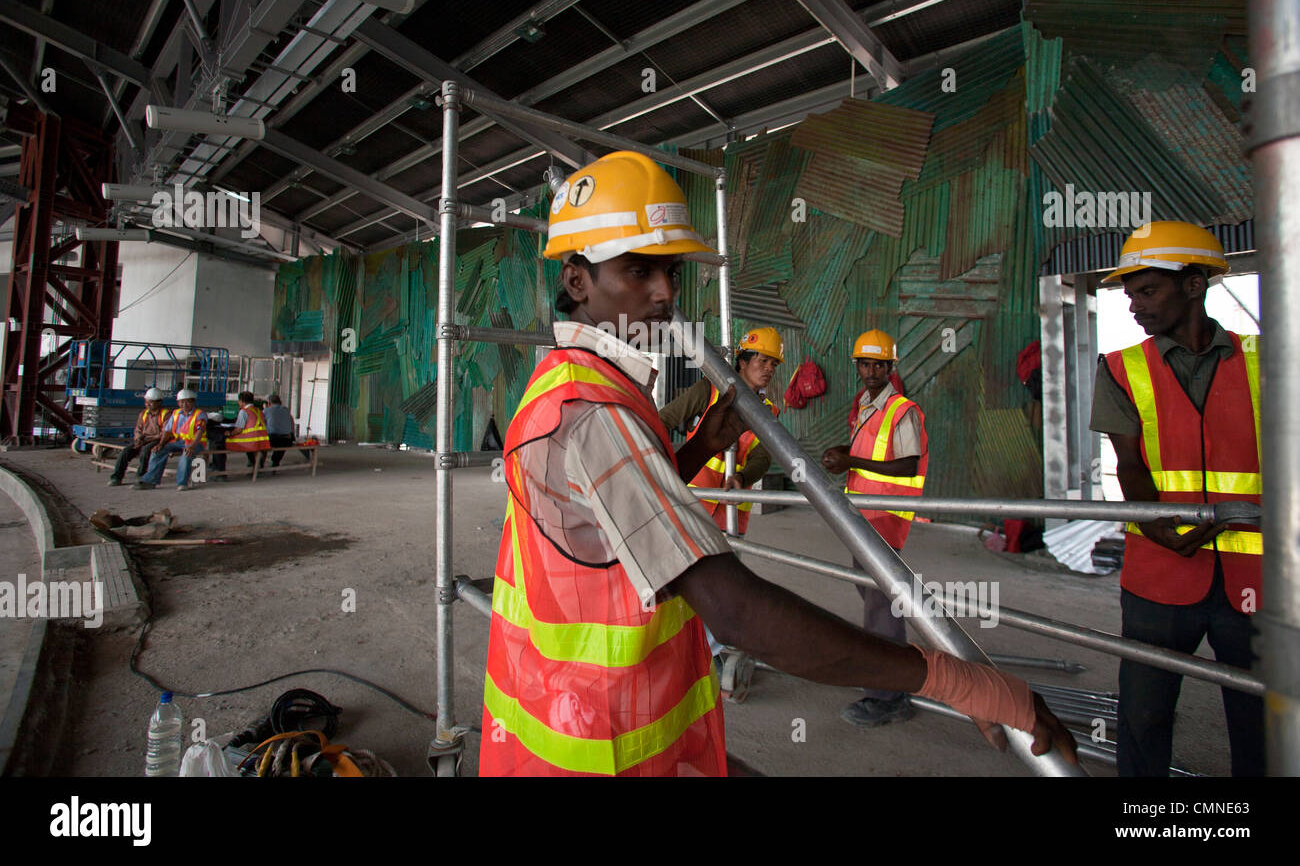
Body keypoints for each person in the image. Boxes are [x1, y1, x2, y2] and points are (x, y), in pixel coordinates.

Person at [478, 149, 1075, 776]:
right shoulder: (599, 410)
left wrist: (704, 446)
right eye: (638, 271)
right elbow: (736, 610)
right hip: (601, 743)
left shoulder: (567, 381)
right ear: (578, 281)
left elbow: (606, 521)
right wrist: (963, 683)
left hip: (567, 714)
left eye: (671, 272)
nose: (664, 294)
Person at [1089, 221, 1263, 777]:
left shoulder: (1270, 361)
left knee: (1260, 714)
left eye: (1148, 290)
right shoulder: (1120, 367)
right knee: (1144, 712)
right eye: (1129, 294)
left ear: (1193, 285)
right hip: (1160, 568)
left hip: (1258, 573)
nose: (1135, 306)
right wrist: (1155, 521)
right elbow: (1131, 465)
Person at [821, 330, 929, 728]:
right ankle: (890, 677)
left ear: (891, 367)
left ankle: (888, 696)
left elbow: (907, 465)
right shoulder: (866, 405)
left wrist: (852, 463)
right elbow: (867, 453)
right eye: (864, 364)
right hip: (864, 515)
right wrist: (845, 452)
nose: (871, 371)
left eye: (879, 364)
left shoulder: (903, 410)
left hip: (886, 517)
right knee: (875, 599)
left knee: (882, 605)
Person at [659, 326, 784, 537]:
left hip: (730, 516)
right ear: (743, 361)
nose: (769, 369)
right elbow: (663, 421)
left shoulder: (769, 411)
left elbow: (762, 457)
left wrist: (742, 478)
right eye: (763, 360)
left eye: (774, 364)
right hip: (690, 504)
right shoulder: (708, 390)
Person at [135, 389, 206, 491]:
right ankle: (151, 481)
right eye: (182, 401)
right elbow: (167, 431)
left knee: (186, 455)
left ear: (193, 402)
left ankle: (182, 483)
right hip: (177, 442)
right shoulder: (176, 413)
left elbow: (200, 431)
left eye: (187, 401)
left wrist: (192, 446)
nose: (184, 404)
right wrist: (161, 444)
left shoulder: (200, 414)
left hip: (195, 443)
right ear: (178, 403)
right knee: (157, 451)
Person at [107, 387, 169, 486]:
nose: (147, 404)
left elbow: (165, 433)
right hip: (144, 439)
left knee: (145, 451)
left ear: (159, 402)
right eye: (146, 402)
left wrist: (149, 439)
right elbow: (138, 429)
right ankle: (116, 477)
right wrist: (138, 439)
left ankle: (141, 476)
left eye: (151, 402)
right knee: (125, 452)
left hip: (158, 440)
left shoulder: (165, 414)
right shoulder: (143, 414)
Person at [225, 391, 272, 469]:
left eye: (239, 401)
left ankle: (219, 469)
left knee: (224, 442)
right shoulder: (259, 411)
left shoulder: (243, 412)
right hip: (263, 440)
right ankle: (256, 464)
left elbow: (238, 430)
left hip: (250, 440)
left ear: (242, 402)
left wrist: (229, 433)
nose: (238, 403)